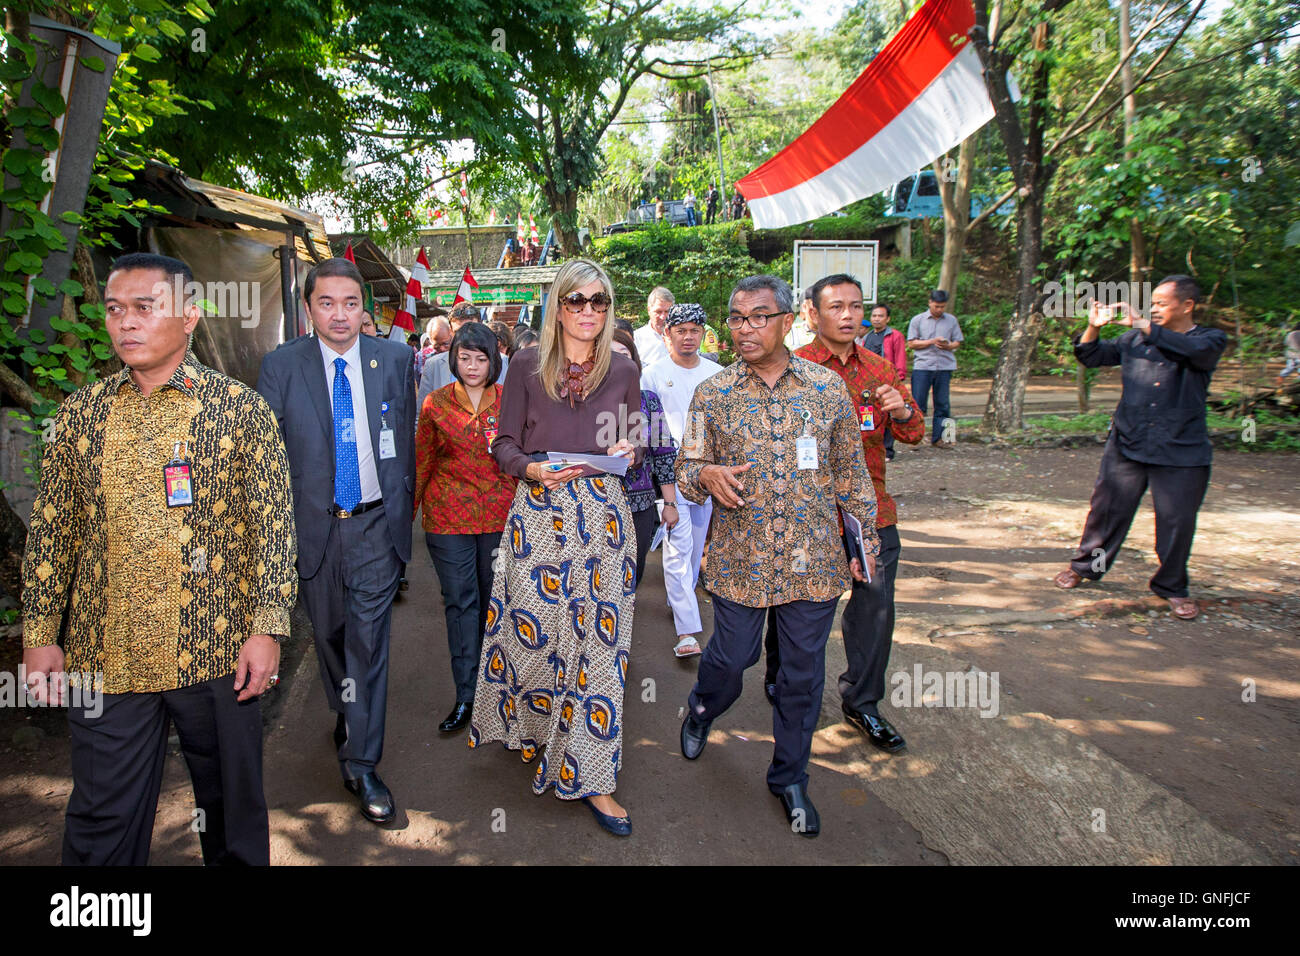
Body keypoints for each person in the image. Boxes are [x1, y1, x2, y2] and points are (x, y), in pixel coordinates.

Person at [22, 252, 296, 865]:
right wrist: (41, 635)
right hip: (104, 656)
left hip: (217, 650)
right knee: (101, 818)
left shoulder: (240, 411)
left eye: (145, 308)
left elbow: (273, 527)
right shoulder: (80, 416)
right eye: (116, 309)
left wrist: (267, 627)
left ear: (190, 316)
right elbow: (53, 531)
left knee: (231, 813)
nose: (126, 323)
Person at [676, 275, 877, 838]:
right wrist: (706, 474)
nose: (745, 328)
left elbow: (851, 475)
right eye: (737, 318)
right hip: (740, 561)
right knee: (732, 659)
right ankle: (700, 708)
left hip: (814, 561)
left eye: (758, 317)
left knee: (800, 676)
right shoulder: (713, 394)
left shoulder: (826, 388)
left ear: (789, 321)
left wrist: (864, 544)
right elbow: (686, 472)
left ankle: (789, 776)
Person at [468, 258, 644, 837]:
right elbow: (504, 444)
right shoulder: (523, 364)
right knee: (537, 637)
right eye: (577, 301)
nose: (588, 312)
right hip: (540, 517)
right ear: (558, 306)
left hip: (603, 522)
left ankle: (594, 775)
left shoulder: (622, 369)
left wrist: (629, 450)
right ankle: (542, 732)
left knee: (600, 645)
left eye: (599, 301)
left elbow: (634, 438)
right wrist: (534, 470)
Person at [256, 256, 416, 825]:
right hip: (315, 531)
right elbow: (269, 461)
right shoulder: (280, 367)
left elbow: (405, 440)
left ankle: (363, 762)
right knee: (331, 641)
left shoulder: (395, 359)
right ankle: (348, 715)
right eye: (327, 303)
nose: (340, 314)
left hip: (375, 526)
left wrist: (403, 513)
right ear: (308, 309)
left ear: (364, 310)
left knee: (369, 646)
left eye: (351, 304)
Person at [764, 273, 923, 753]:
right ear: (812, 314)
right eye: (837, 307)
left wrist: (900, 412)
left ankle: (863, 702)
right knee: (795, 609)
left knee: (875, 610)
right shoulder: (789, 368)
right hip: (807, 515)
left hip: (870, 513)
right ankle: (787, 686)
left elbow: (915, 432)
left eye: (856, 306)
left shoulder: (880, 370)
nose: (849, 315)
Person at [1054, 276, 1227, 621]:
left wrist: (1143, 323)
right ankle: (1087, 568)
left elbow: (1192, 353)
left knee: (1176, 521)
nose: (1155, 309)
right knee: (1107, 512)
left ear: (1187, 305)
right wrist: (1092, 327)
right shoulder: (1134, 339)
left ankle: (1171, 587)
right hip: (1129, 443)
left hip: (1181, 450)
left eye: (1162, 303)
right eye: (1153, 303)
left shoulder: (1209, 340)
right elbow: (1091, 355)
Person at [416, 322, 518, 733]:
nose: (472, 366)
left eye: (480, 358)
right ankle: (466, 695)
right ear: (452, 359)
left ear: (493, 360)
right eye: (464, 358)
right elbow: (422, 460)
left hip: (499, 515)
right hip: (447, 518)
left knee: (496, 604)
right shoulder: (436, 405)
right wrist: (403, 516)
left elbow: (523, 457)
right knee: (460, 602)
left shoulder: (511, 402)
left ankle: (498, 689)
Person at [640, 303, 723, 658]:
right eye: (681, 331)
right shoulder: (653, 374)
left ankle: (682, 599)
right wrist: (662, 479)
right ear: (666, 334)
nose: (688, 337)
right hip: (670, 470)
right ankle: (687, 631)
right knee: (677, 548)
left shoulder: (716, 372)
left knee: (695, 547)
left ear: (703, 334)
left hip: (708, 473)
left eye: (694, 331)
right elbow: (652, 429)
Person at [612, 328, 680, 585]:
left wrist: (671, 504)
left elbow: (664, 455)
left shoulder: (648, 401)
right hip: (597, 503)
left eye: (624, 354)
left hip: (640, 505)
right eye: (610, 355)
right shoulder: (586, 402)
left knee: (633, 575)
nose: (618, 361)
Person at [418, 302, 508, 409]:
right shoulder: (433, 365)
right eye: (458, 332)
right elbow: (422, 412)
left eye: (471, 330)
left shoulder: (503, 362)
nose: (466, 337)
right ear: (451, 331)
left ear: (481, 326)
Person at [907, 289, 963, 447]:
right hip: (923, 365)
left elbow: (957, 341)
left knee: (943, 404)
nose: (939, 309)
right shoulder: (918, 320)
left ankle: (944, 438)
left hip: (945, 365)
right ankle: (914, 438)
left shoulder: (951, 320)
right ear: (930, 302)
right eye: (937, 306)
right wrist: (932, 341)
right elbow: (911, 343)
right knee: (917, 404)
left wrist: (948, 345)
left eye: (942, 306)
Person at [859, 303, 908, 461]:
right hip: (869, 382)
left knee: (888, 414)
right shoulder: (867, 337)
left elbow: (899, 357)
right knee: (870, 415)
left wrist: (898, 377)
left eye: (880, 316)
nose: (877, 319)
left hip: (887, 381)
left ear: (888, 318)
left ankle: (888, 450)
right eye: (874, 316)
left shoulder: (894, 336)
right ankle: (872, 448)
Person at [634, 286, 673, 369]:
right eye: (658, 312)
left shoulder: (681, 337)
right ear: (649, 310)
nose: (663, 317)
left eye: (667, 311)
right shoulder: (637, 338)